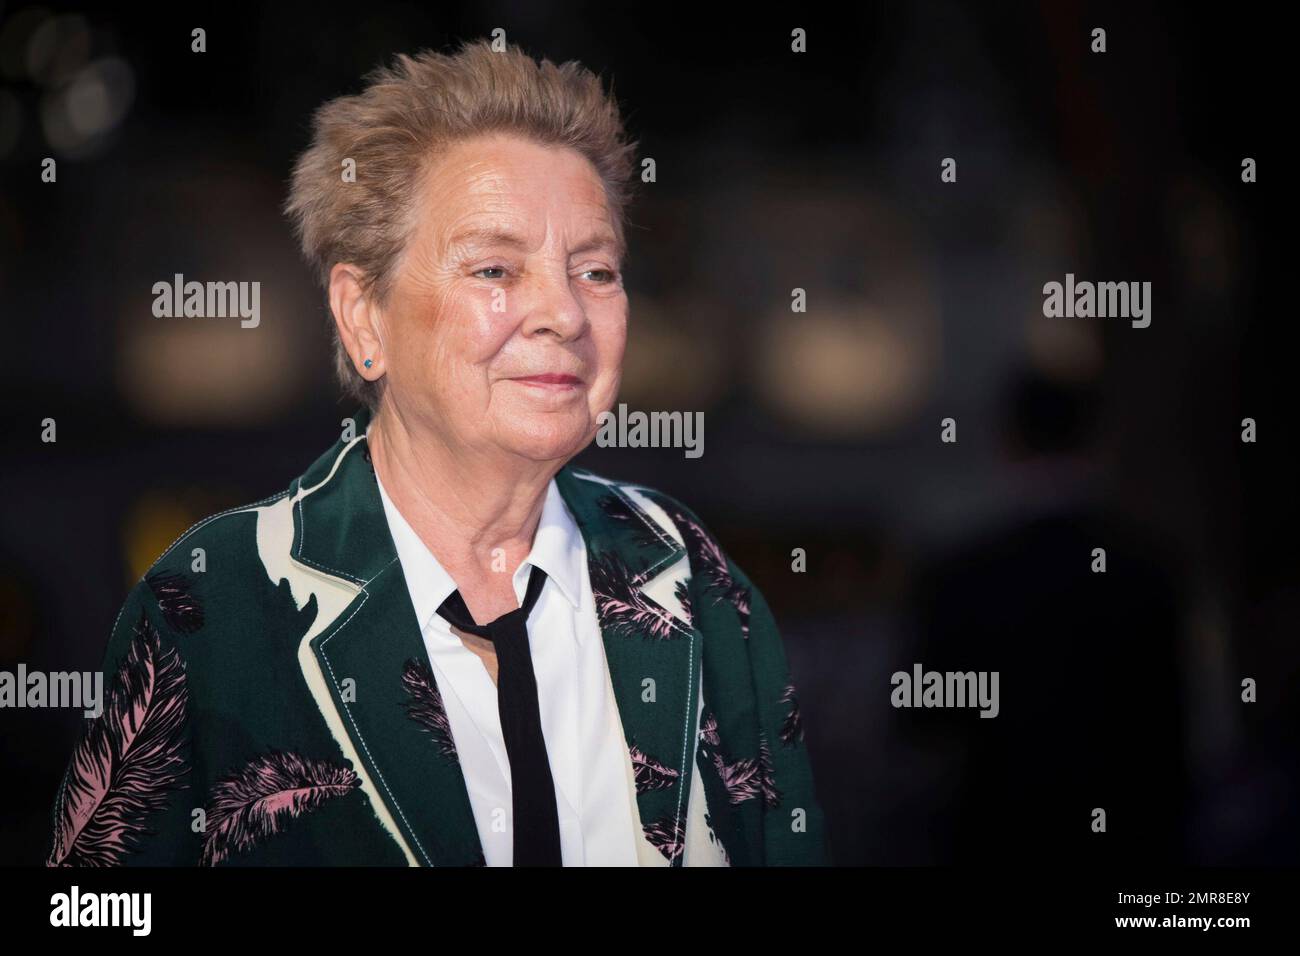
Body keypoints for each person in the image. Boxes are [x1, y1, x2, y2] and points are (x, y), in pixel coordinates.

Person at [45, 39, 828, 867]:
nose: (562, 313)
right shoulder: (214, 604)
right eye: (496, 268)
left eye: (596, 271)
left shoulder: (688, 578)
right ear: (364, 316)